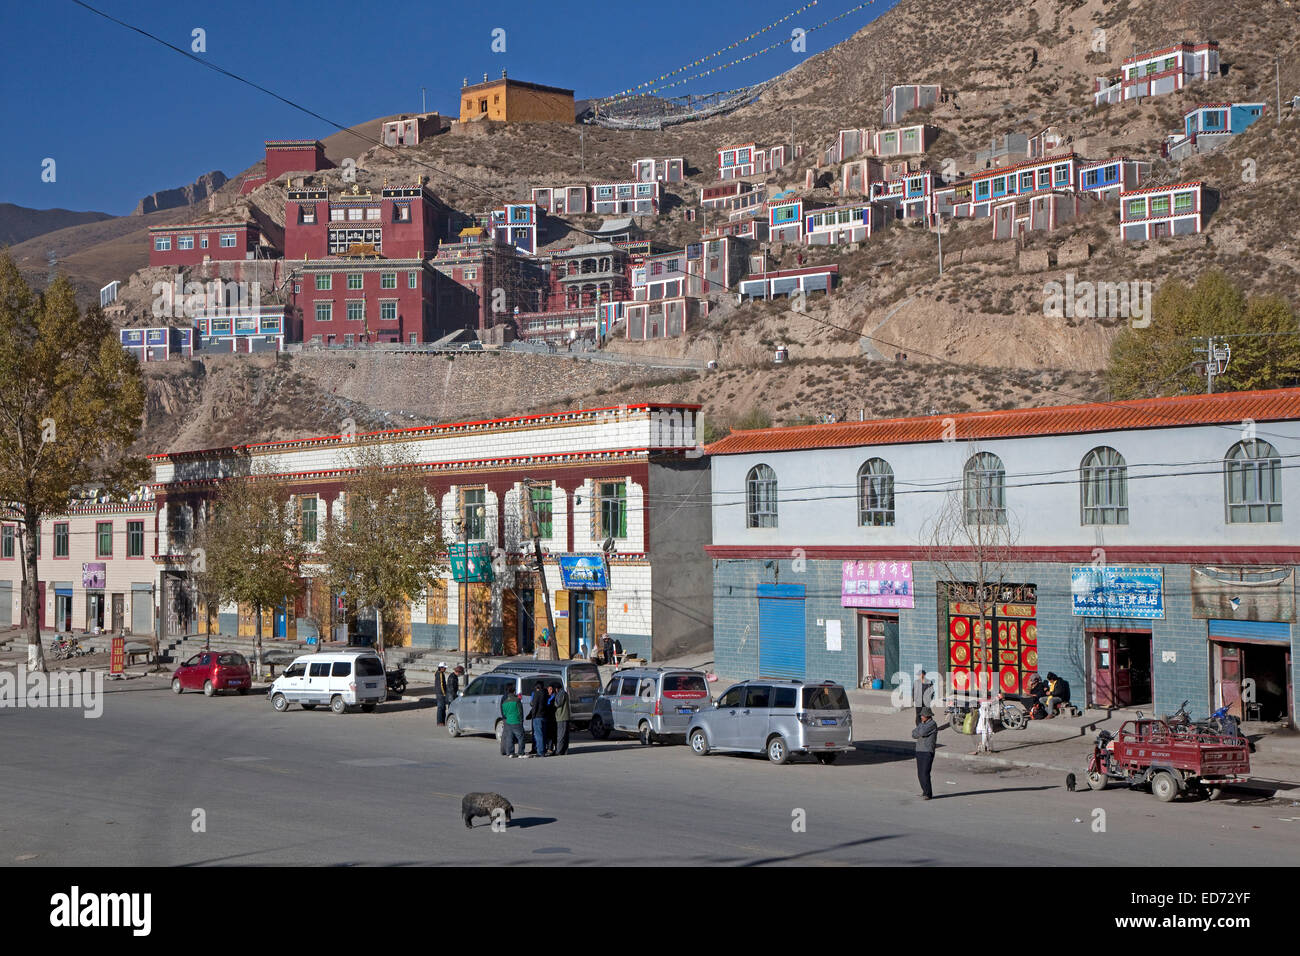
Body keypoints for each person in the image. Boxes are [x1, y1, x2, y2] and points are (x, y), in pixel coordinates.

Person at [911, 706, 938, 799]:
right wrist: (919, 729)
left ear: (928, 716)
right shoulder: (922, 723)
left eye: (923, 715)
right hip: (919, 750)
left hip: (927, 751)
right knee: (920, 773)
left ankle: (928, 793)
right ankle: (924, 791)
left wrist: (919, 729)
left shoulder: (932, 724)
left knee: (925, 773)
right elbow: (913, 734)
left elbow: (921, 732)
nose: (921, 717)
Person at [500, 684, 525, 757]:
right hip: (516, 720)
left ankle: (510, 753)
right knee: (521, 737)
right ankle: (520, 752)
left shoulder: (504, 702)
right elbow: (520, 711)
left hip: (508, 721)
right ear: (514, 691)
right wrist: (521, 720)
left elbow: (504, 713)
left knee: (509, 737)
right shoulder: (517, 700)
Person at [527, 680, 548, 757]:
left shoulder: (537, 693)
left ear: (537, 687)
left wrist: (533, 715)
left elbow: (534, 706)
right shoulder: (545, 694)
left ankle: (540, 752)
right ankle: (543, 749)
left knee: (538, 735)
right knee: (543, 734)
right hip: (544, 716)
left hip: (537, 716)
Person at [552, 679, 571, 755]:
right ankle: (564, 751)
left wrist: (553, 699)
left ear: (556, 688)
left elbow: (558, 704)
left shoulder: (561, 693)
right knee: (565, 735)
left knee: (561, 735)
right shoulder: (563, 693)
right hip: (564, 717)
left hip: (561, 717)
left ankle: (559, 751)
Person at [543, 681, 559, 756]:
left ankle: (550, 748)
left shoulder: (554, 697)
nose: (549, 691)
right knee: (549, 734)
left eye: (550, 689)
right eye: (548, 689)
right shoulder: (547, 696)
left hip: (553, 718)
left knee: (552, 734)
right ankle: (550, 747)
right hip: (549, 718)